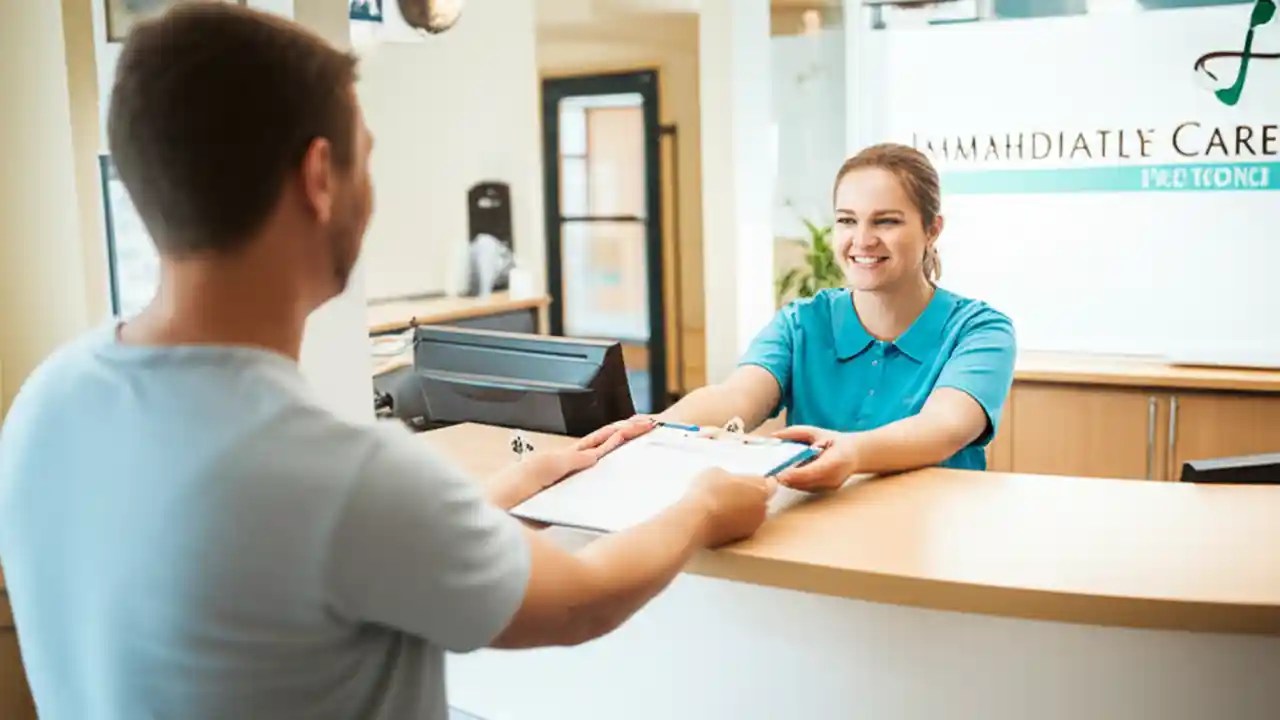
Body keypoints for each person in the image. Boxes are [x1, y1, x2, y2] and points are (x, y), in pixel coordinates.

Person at [0, 5, 773, 719]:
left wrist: (526, 478)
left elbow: (325, 561)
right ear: (318, 179)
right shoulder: (332, 475)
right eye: (367, 161)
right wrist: (703, 505)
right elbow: (581, 601)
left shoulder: (48, 398)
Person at [657, 143, 1016, 490]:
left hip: (936, 533)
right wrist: (655, 428)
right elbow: (736, 397)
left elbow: (944, 427)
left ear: (932, 229)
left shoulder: (979, 331)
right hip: (815, 531)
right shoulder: (802, 323)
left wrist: (853, 453)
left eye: (886, 221)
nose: (862, 239)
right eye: (847, 220)